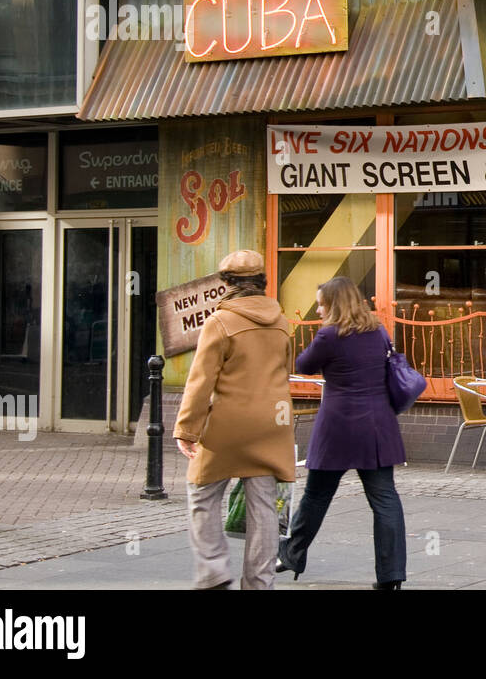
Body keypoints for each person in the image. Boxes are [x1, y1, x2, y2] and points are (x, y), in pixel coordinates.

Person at [173, 250, 295, 590]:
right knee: (263, 504)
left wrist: (187, 429)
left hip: (231, 421)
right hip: (273, 422)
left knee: (201, 491)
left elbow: (201, 381)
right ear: (262, 282)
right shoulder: (281, 321)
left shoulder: (220, 322)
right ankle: (259, 582)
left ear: (225, 283)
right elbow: (285, 370)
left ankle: (213, 572)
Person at [277, 276, 407, 589]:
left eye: (322, 304)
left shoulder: (329, 336)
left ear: (335, 304)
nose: (319, 310)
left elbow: (304, 365)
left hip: (338, 427)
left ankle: (292, 554)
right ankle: (391, 577)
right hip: (377, 427)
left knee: (316, 495)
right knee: (385, 500)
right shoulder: (378, 331)